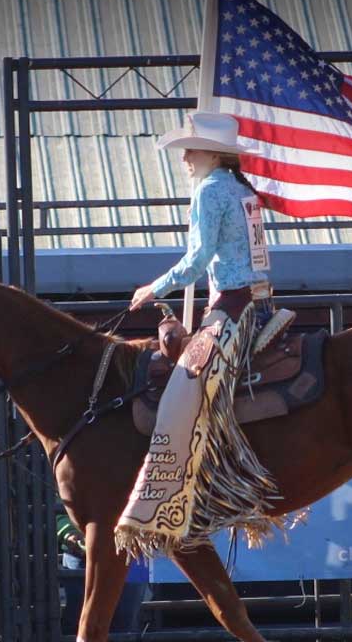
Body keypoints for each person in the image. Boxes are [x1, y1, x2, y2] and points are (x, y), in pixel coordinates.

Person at [118, 111, 280, 556]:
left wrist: (154, 287)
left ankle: (203, 489)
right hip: (258, 302)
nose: (185, 157)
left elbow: (196, 259)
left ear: (213, 152)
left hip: (232, 308)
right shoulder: (243, 190)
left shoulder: (209, 191)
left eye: (191, 148)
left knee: (185, 387)